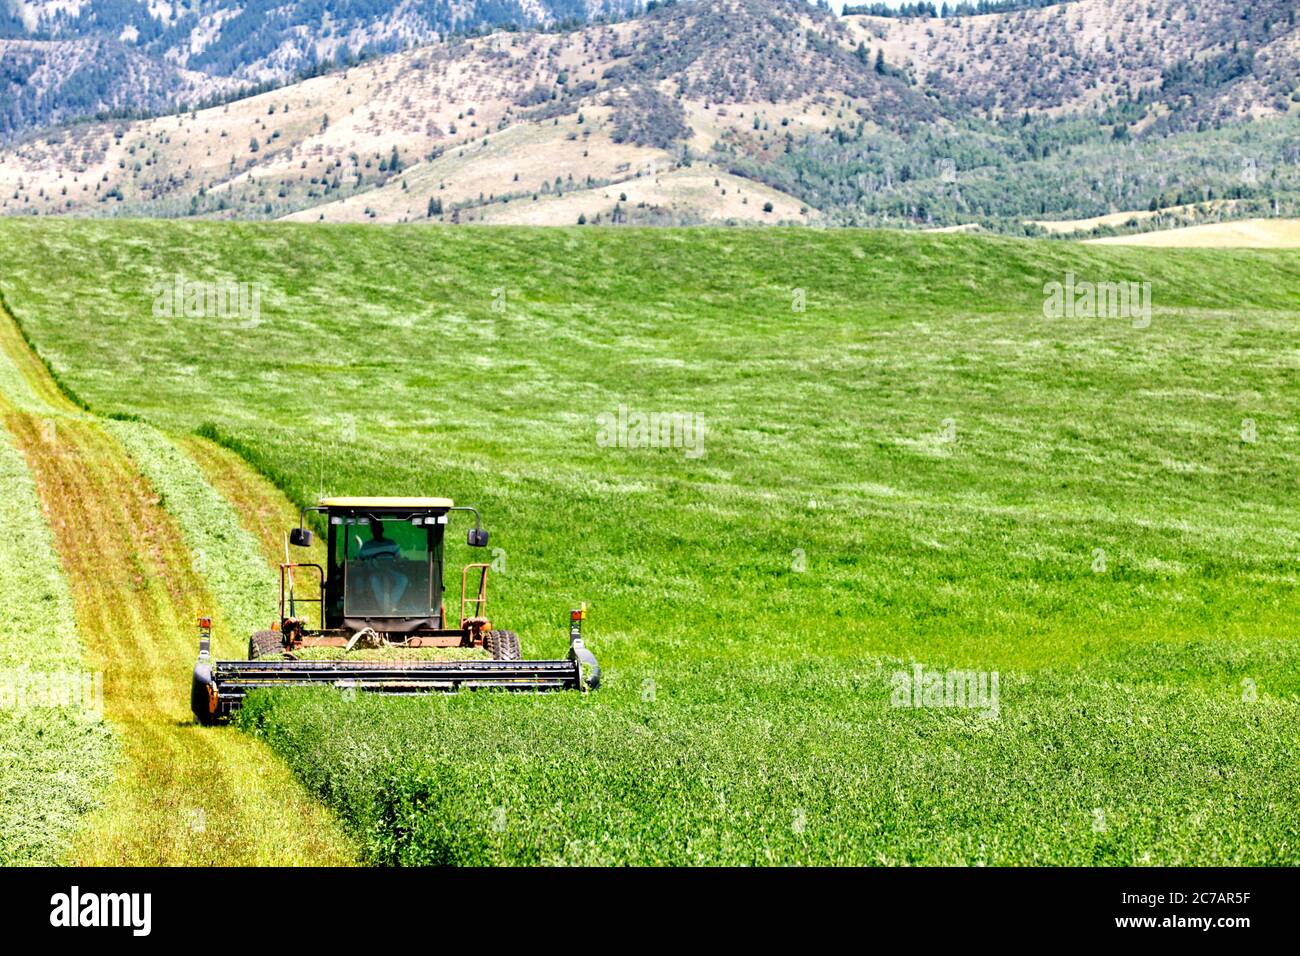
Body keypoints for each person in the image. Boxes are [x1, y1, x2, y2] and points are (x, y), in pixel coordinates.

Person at [357, 517, 406, 610]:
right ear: (372, 530)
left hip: (390, 571)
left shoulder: (391, 544)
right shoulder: (367, 546)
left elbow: (398, 559)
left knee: (403, 579)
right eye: (374, 529)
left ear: (382, 529)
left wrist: (401, 561)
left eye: (378, 528)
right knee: (374, 580)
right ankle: (384, 608)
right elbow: (359, 560)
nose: (376, 531)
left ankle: (391, 602)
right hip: (374, 573)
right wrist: (360, 563)